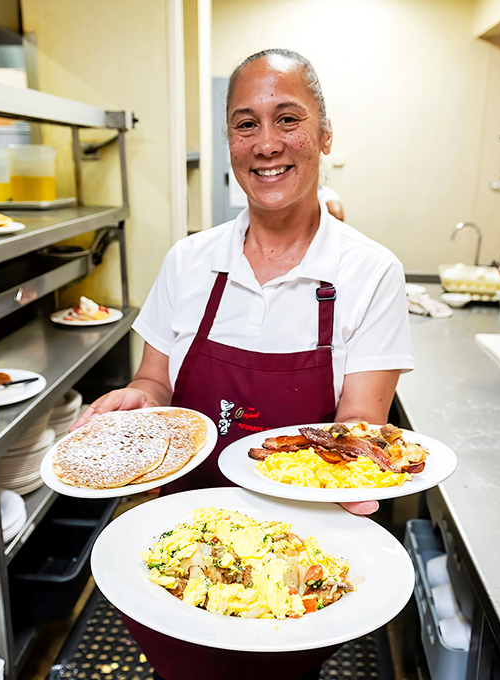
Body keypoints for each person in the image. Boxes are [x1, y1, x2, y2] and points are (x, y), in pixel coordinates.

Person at [73, 48, 413, 680]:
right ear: (230, 140)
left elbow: (360, 423)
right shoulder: (188, 261)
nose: (266, 144)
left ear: (324, 135)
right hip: (179, 540)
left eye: (288, 118)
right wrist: (138, 400)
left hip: (298, 554)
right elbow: (156, 379)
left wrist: (361, 484)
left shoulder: (371, 273)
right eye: (245, 123)